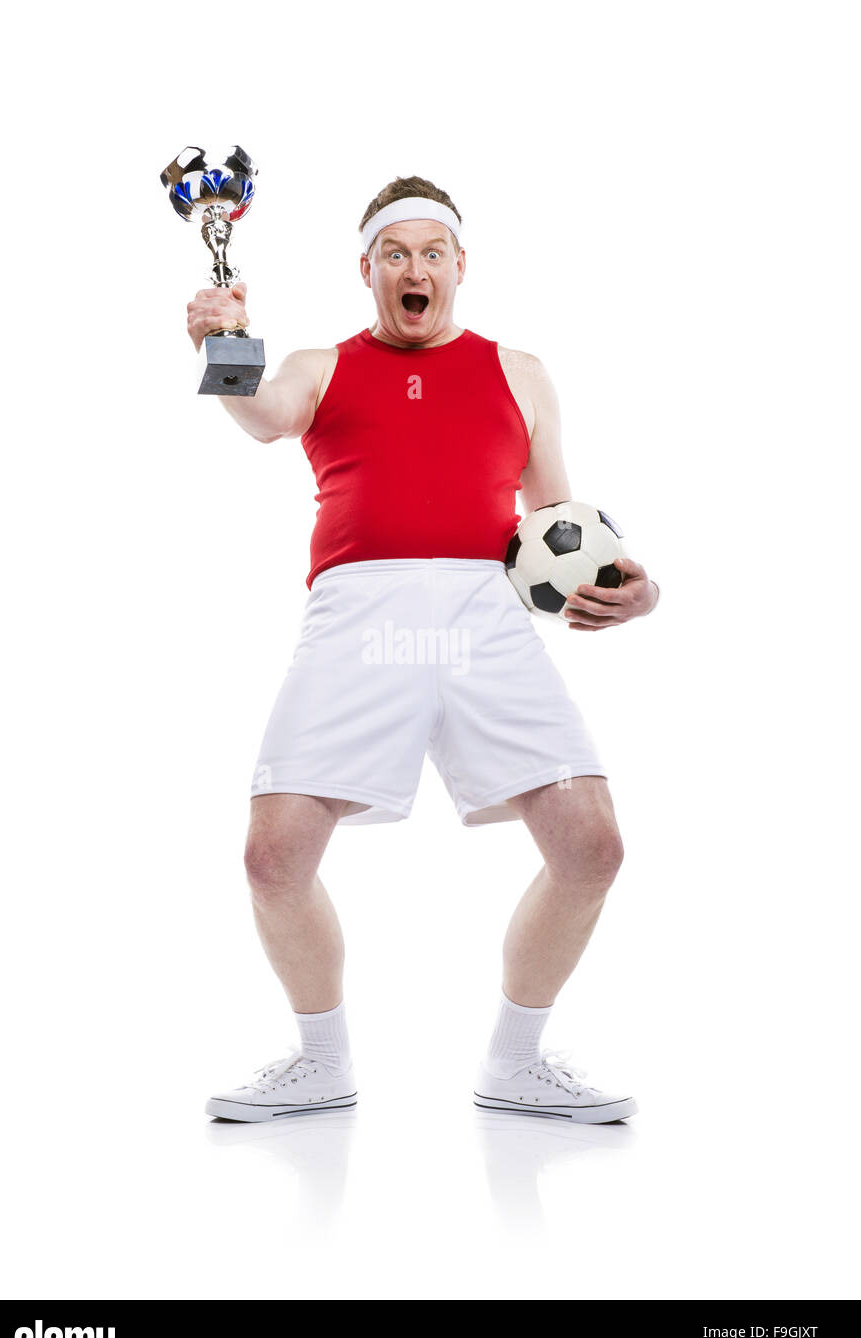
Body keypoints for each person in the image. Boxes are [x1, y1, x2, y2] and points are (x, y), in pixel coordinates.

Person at [190, 175, 659, 1125]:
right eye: (395, 255)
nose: (415, 269)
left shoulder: (519, 370)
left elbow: (556, 519)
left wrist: (635, 589)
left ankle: (515, 1064)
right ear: (367, 271)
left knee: (593, 847)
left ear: (458, 268)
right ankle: (321, 1063)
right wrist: (224, 344)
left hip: (485, 618)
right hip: (358, 617)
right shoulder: (324, 366)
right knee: (273, 859)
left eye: (432, 254)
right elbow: (263, 415)